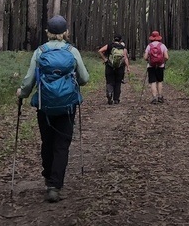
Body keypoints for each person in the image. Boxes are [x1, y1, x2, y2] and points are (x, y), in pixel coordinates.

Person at [16, 14, 89, 203]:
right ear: (65, 32)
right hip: (67, 106)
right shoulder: (72, 51)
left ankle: (48, 177)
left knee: (47, 142)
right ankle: (55, 186)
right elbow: (84, 78)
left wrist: (22, 93)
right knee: (62, 145)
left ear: (47, 32)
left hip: (45, 105)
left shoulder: (40, 51)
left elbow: (30, 79)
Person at [97, 35, 131, 105]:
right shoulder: (123, 48)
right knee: (118, 83)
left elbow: (100, 51)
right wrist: (128, 67)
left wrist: (105, 59)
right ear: (120, 40)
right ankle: (116, 99)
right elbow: (125, 58)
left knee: (109, 81)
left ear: (114, 39)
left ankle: (109, 93)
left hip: (110, 66)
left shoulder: (109, 45)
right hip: (120, 68)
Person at [143, 30, 170, 104]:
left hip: (151, 66)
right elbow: (166, 57)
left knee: (153, 82)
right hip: (160, 66)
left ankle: (154, 97)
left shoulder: (149, 46)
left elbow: (145, 57)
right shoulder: (162, 45)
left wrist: (149, 60)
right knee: (160, 81)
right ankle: (160, 96)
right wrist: (162, 61)